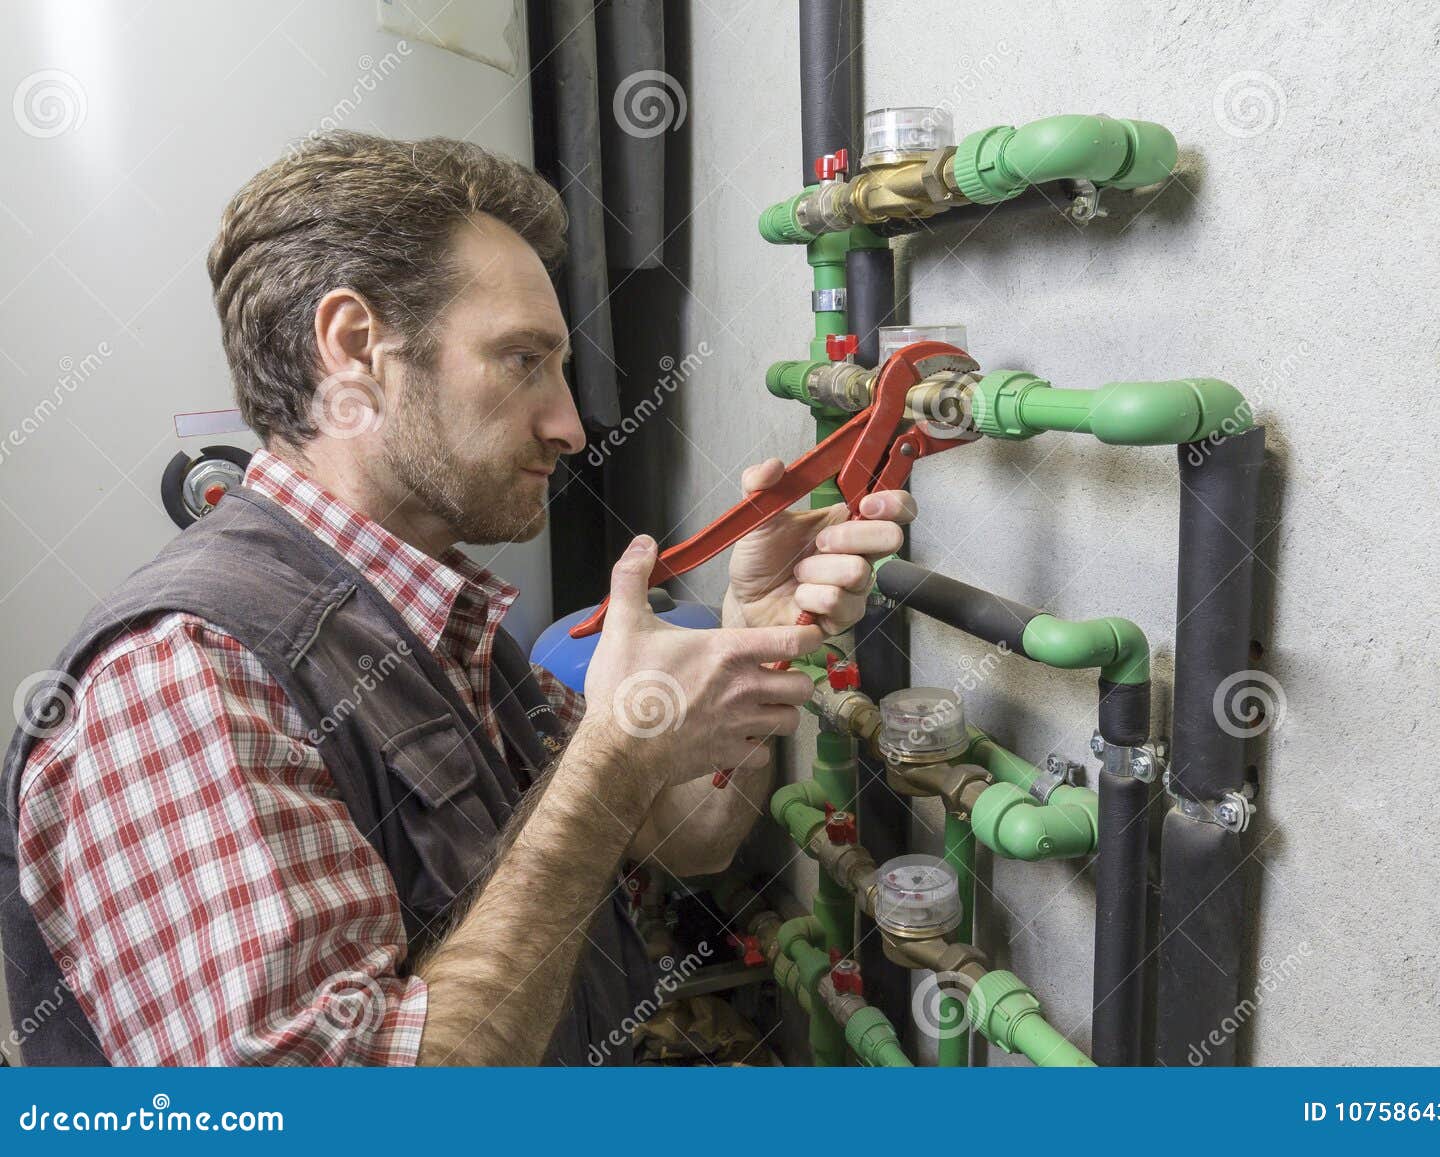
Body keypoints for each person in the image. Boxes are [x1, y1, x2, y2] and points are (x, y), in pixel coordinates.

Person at [0, 132, 913, 1066]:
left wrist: (748, 638)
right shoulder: (184, 677)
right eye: (523, 360)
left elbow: (693, 835)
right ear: (356, 349)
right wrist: (611, 758)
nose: (567, 423)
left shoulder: (443, 624)